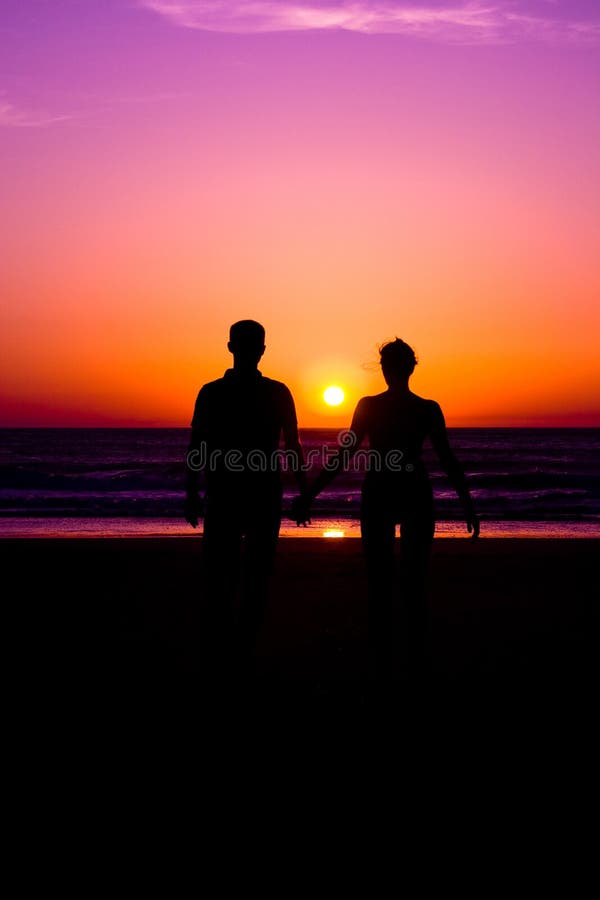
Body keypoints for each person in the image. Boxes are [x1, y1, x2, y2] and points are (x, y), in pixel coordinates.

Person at [293, 337, 479, 697]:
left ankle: (387, 659)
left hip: (382, 490)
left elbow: (344, 455)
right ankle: (410, 658)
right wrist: (467, 501)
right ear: (410, 367)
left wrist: (309, 495)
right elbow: (446, 459)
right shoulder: (426, 408)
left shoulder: (376, 406)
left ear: (389, 369)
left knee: (383, 581)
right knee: (411, 580)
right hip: (410, 489)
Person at [184, 320, 309, 692]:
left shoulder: (212, 392)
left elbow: (197, 448)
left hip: (228, 494)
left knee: (223, 576)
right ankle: (240, 652)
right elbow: (294, 447)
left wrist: (191, 492)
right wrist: (302, 493)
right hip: (257, 495)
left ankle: (225, 654)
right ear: (262, 350)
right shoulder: (276, 392)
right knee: (253, 576)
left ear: (230, 347)